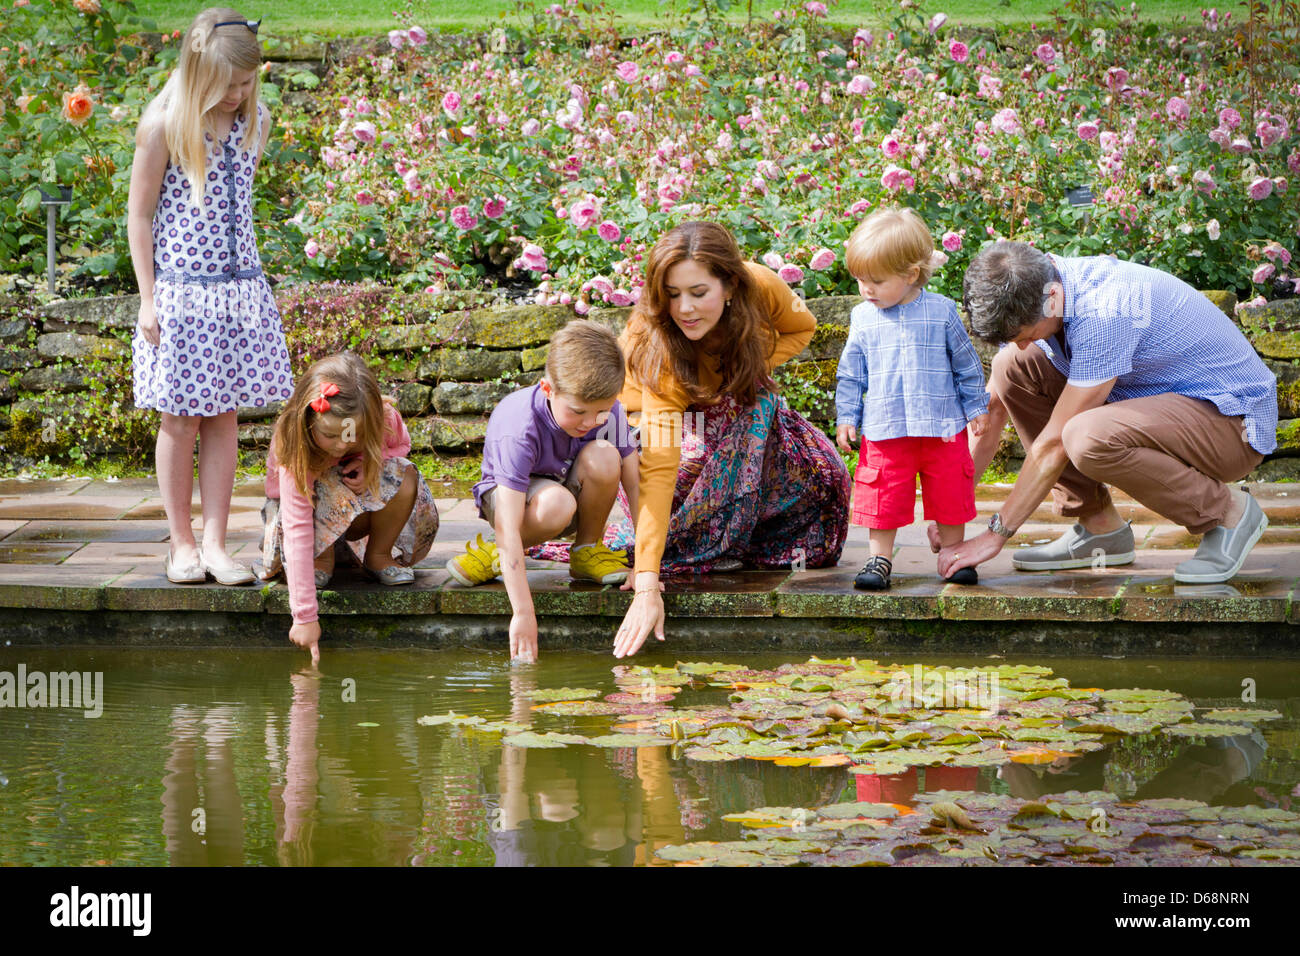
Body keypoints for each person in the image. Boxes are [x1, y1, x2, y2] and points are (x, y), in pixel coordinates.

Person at [943, 241, 1277, 585]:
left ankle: (1227, 514)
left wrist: (994, 535)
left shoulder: (1104, 311)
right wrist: (952, 509)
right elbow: (991, 412)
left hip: (1231, 424)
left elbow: (1054, 444)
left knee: (1085, 437)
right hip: (1168, 406)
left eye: (1026, 335)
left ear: (1053, 298)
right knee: (1012, 365)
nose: (1023, 342)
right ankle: (1099, 526)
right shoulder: (1029, 288)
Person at [612, 221, 851, 658]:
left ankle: (747, 533)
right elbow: (659, 468)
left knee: (823, 477)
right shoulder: (660, 346)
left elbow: (802, 327)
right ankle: (683, 538)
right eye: (671, 293)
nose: (683, 308)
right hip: (653, 424)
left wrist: (747, 367)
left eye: (698, 292)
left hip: (733, 395)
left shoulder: (761, 286)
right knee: (689, 472)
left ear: (730, 284)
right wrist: (647, 583)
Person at [128, 8, 292, 586]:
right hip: (181, 294)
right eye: (225, 85)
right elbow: (141, 216)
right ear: (196, 73)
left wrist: (246, 100)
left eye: (247, 83)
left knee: (224, 417)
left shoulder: (254, 121)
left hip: (239, 291)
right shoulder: (165, 128)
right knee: (179, 420)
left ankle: (219, 545)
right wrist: (149, 299)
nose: (237, 94)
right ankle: (181, 545)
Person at [447, 320, 640, 663]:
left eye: (601, 412)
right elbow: (507, 519)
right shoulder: (519, 427)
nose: (590, 422)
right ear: (548, 390)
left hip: (567, 481)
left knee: (607, 456)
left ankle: (586, 551)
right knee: (556, 503)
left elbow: (635, 483)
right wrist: (522, 612)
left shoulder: (606, 412)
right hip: (513, 502)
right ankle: (499, 554)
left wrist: (647, 565)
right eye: (579, 411)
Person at [834, 207, 989, 591]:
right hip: (886, 428)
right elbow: (851, 372)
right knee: (881, 492)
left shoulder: (941, 311)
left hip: (943, 428)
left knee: (951, 490)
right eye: (859, 281)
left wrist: (976, 407)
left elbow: (966, 365)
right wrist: (846, 415)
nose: (865, 289)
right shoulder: (863, 318)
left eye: (875, 281)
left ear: (911, 275)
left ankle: (954, 555)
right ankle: (879, 559)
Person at [256, 352, 439, 663]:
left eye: (350, 437)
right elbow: (297, 525)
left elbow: (400, 445)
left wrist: (367, 460)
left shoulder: (380, 416)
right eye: (329, 435)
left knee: (402, 471)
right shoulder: (293, 446)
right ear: (308, 419)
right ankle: (322, 559)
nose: (341, 445)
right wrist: (304, 615)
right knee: (324, 481)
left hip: (353, 517)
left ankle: (378, 555)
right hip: (301, 525)